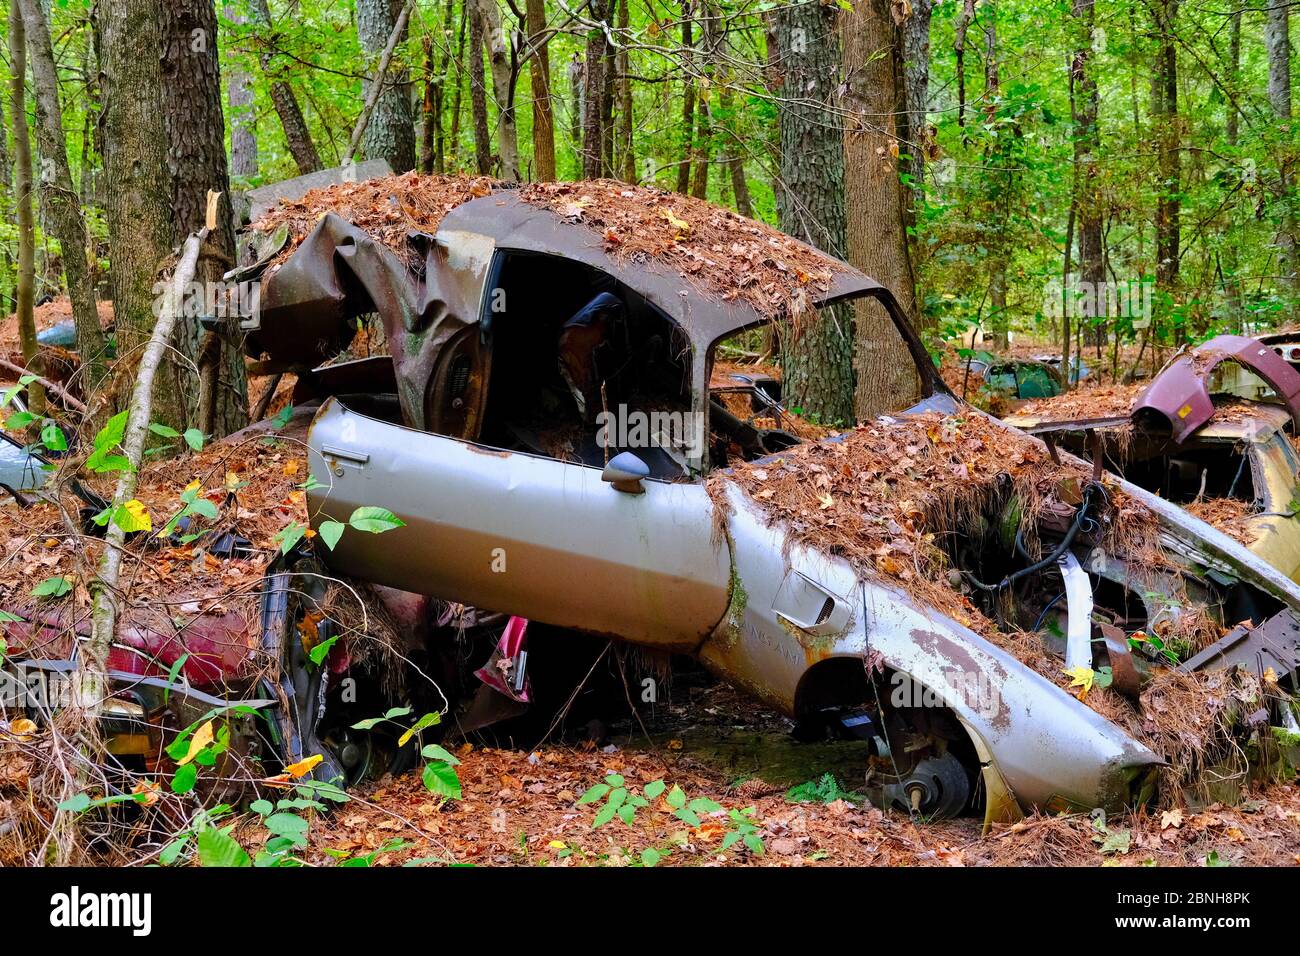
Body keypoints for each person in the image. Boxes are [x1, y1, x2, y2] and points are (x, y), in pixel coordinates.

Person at [557, 290, 624, 421]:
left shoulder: (595, 322)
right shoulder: (577, 332)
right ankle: (587, 419)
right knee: (579, 389)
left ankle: (589, 417)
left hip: (578, 354)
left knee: (584, 386)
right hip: (570, 354)